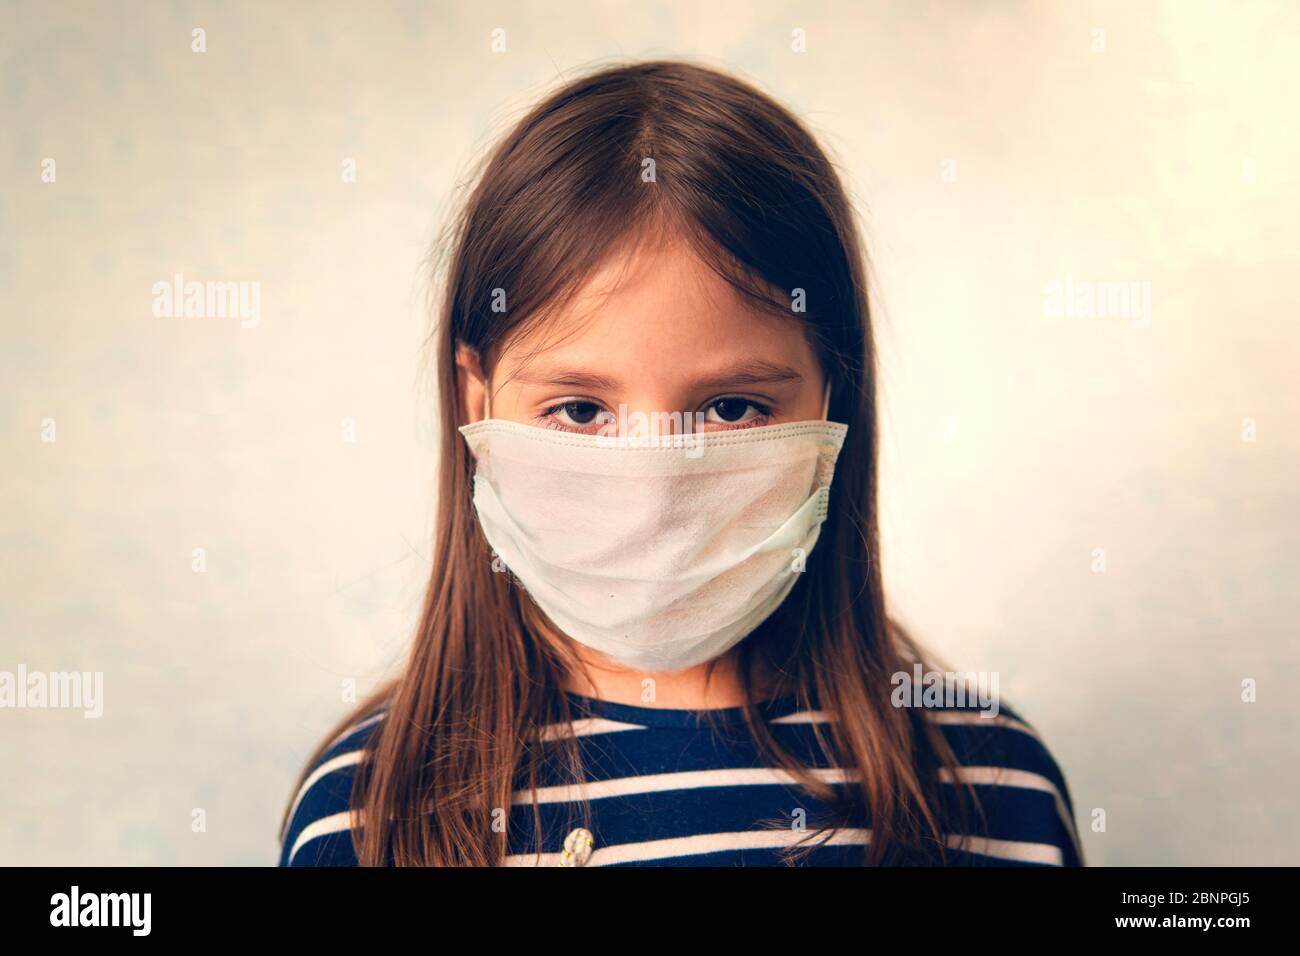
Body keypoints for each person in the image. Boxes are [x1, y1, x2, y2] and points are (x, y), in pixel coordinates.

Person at [279, 59, 1083, 868]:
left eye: (731, 408)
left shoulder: (992, 791)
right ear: (477, 400)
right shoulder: (370, 817)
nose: (655, 490)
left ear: (833, 400)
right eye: (582, 410)